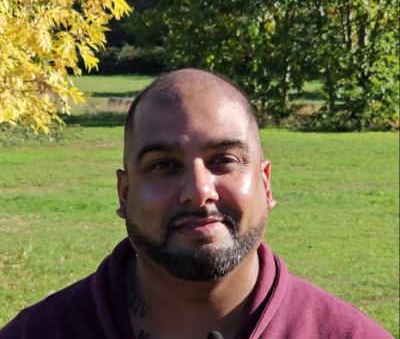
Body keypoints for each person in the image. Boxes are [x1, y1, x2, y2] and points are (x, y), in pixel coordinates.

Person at [0, 69, 394, 339]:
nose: (199, 191)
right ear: (124, 193)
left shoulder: (348, 334)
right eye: (163, 165)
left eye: (224, 160)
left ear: (265, 183)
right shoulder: (39, 332)